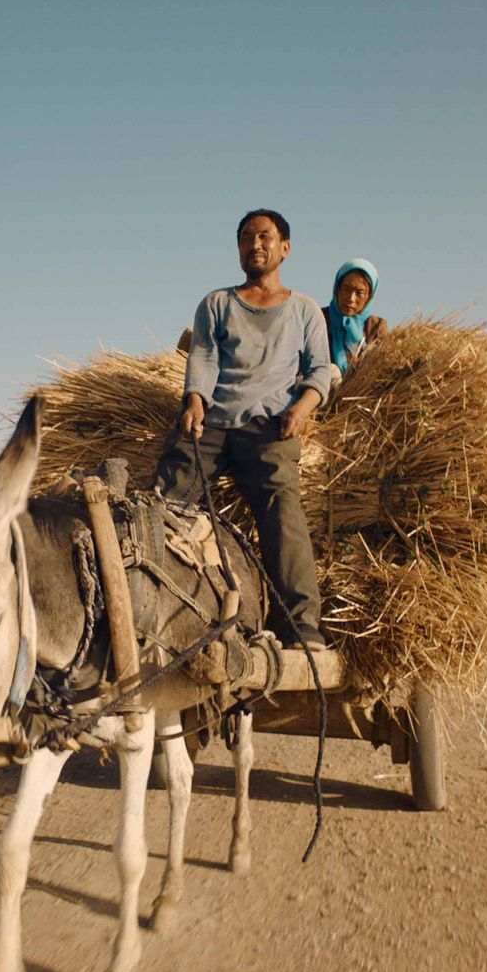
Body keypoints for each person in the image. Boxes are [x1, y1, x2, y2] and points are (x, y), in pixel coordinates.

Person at [154, 208, 331, 648]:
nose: (256, 245)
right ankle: (144, 605)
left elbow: (320, 370)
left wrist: (303, 407)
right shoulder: (216, 304)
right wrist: (194, 400)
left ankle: (302, 626)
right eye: (247, 238)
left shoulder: (305, 310)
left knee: (282, 512)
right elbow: (204, 359)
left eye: (265, 237)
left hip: (268, 426)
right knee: (164, 500)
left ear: (285, 248)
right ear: (237, 249)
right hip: (213, 423)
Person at [322, 258, 387, 381]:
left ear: (369, 296)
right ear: (337, 289)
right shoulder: (319, 319)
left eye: (359, 293)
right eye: (346, 289)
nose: (351, 298)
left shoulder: (376, 326)